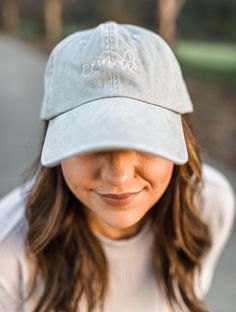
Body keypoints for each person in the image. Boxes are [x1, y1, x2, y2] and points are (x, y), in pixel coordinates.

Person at [0, 21, 235, 312]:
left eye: (145, 141)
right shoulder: (7, 255)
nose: (119, 176)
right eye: (89, 143)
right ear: (54, 145)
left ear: (181, 139)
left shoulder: (208, 205)